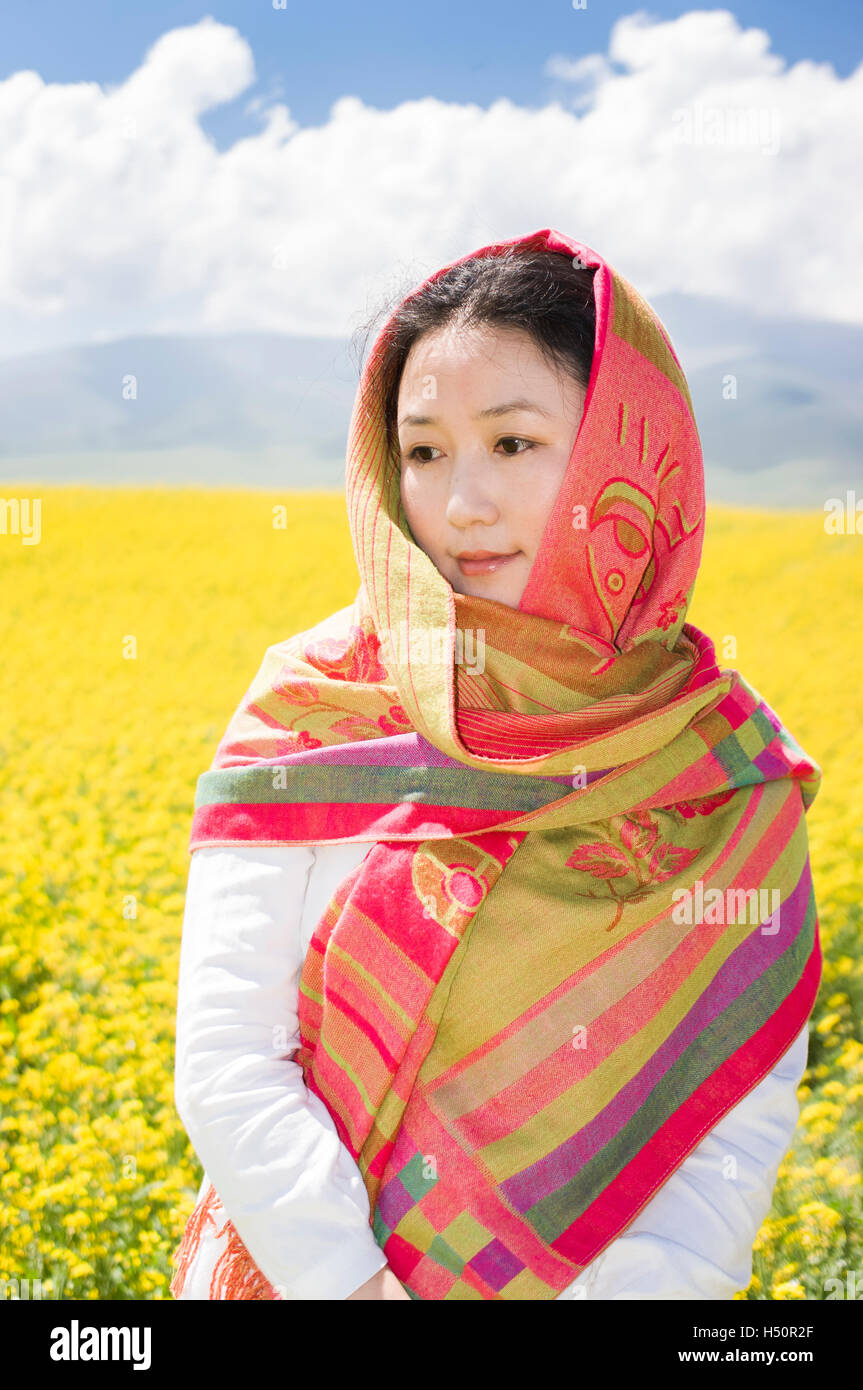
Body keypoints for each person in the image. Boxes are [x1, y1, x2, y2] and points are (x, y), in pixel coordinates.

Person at [170, 227, 822, 1301]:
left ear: (624, 450)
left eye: (511, 444)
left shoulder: (715, 767)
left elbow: (728, 1135)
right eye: (423, 452)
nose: (460, 503)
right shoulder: (316, 705)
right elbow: (229, 1061)